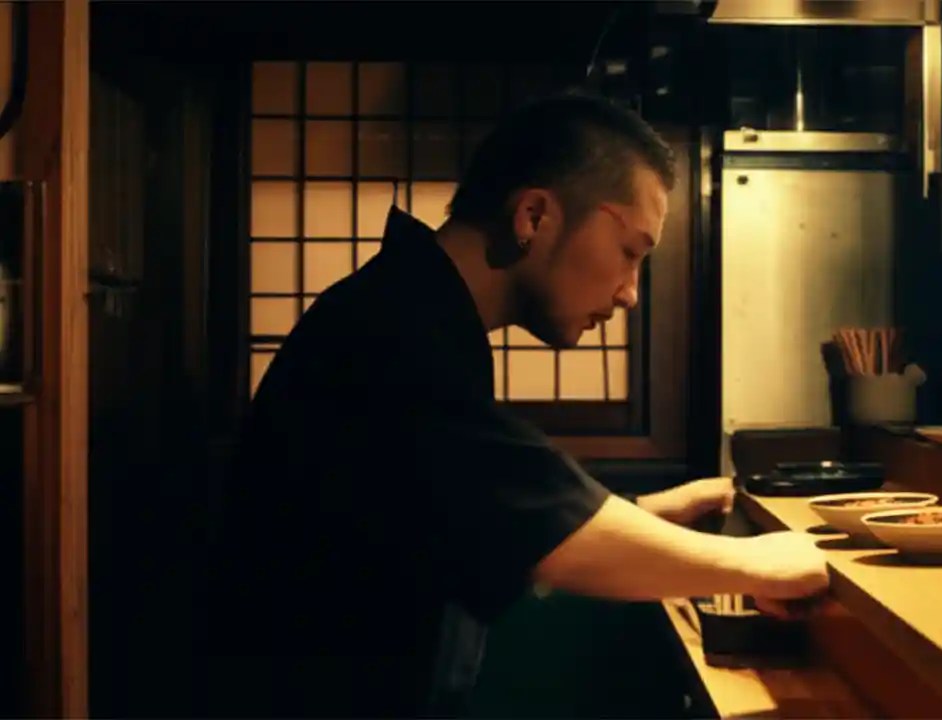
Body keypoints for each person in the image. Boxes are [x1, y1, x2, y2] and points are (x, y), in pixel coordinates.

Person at [205, 92, 829, 718]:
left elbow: (484, 509)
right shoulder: (394, 334)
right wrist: (756, 562)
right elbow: (544, 534)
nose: (631, 293)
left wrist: (647, 513)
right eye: (630, 252)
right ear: (533, 215)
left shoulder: (417, 313)